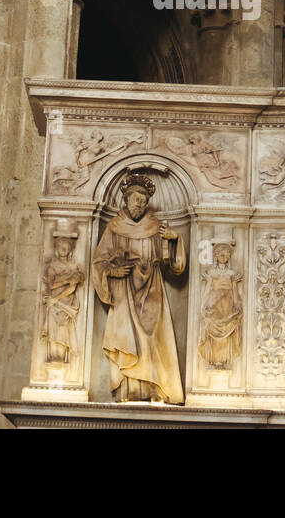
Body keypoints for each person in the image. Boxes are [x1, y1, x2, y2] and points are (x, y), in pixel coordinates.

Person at [91, 172, 186, 403]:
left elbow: (172, 266)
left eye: (143, 201)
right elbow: (99, 262)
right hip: (124, 289)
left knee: (152, 338)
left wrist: (173, 240)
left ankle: (154, 388)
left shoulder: (156, 227)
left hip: (152, 289)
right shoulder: (114, 228)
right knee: (125, 336)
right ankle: (128, 389)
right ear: (126, 200)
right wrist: (113, 272)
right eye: (136, 199)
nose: (140, 204)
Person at [39, 220, 84, 366]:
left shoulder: (73, 266)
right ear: (56, 248)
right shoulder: (52, 266)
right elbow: (52, 284)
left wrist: (57, 299)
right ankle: (53, 357)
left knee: (64, 331)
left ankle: (62, 358)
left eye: (66, 247)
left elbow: (72, 288)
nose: (63, 249)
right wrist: (68, 280)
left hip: (67, 303)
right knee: (53, 330)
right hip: (54, 304)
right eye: (60, 246)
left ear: (70, 249)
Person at [198, 236, 243, 371]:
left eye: (226, 253)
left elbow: (235, 291)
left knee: (228, 331)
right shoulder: (211, 272)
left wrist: (237, 305)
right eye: (220, 253)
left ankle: (224, 361)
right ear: (216, 255)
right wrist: (204, 304)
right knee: (212, 329)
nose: (223, 255)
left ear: (229, 255)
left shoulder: (232, 273)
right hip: (214, 303)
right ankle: (214, 361)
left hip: (227, 305)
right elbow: (208, 289)